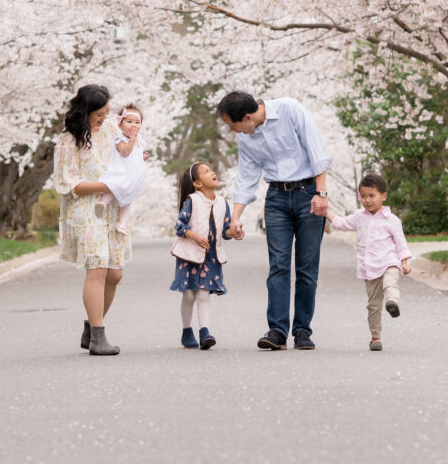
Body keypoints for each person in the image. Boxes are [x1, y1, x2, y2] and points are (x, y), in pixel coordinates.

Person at [218, 91, 332, 350]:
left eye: (233, 125)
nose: (233, 130)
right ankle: (277, 331)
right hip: (276, 198)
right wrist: (235, 216)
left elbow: (317, 151)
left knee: (306, 267)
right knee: (278, 265)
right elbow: (246, 176)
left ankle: (302, 330)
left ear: (248, 117)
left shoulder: (290, 110)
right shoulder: (245, 136)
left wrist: (321, 193)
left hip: (308, 194)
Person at [53, 84, 131, 356]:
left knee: (115, 274)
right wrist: (104, 186)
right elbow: (67, 183)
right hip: (85, 210)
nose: (104, 117)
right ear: (84, 111)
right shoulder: (68, 141)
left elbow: (125, 156)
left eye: (108, 112)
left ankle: (91, 324)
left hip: (113, 208)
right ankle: (99, 335)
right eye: (99, 113)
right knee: (97, 268)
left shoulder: (111, 129)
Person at [326, 173, 412, 352]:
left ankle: (392, 302)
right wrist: (325, 212)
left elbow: (401, 243)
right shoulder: (359, 217)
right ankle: (376, 338)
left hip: (389, 262)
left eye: (372, 196)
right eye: (363, 196)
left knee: (390, 284)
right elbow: (341, 223)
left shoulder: (392, 220)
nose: (367, 200)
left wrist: (404, 262)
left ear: (383, 196)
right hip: (370, 268)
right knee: (373, 305)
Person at [170, 162, 243, 350]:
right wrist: (193, 235)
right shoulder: (191, 201)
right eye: (206, 171)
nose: (212, 172)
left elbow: (225, 230)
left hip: (211, 257)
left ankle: (205, 332)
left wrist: (233, 232)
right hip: (189, 256)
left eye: (211, 170)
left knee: (203, 295)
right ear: (197, 184)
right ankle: (187, 331)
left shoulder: (222, 203)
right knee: (188, 296)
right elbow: (179, 226)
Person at [94, 104, 149, 235]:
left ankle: (122, 223)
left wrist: (141, 157)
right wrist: (131, 139)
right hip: (121, 172)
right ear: (120, 125)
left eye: (137, 122)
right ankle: (102, 204)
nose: (133, 125)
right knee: (113, 186)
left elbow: (134, 155)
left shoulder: (139, 141)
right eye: (129, 122)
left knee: (129, 198)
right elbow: (125, 152)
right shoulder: (120, 139)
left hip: (133, 175)